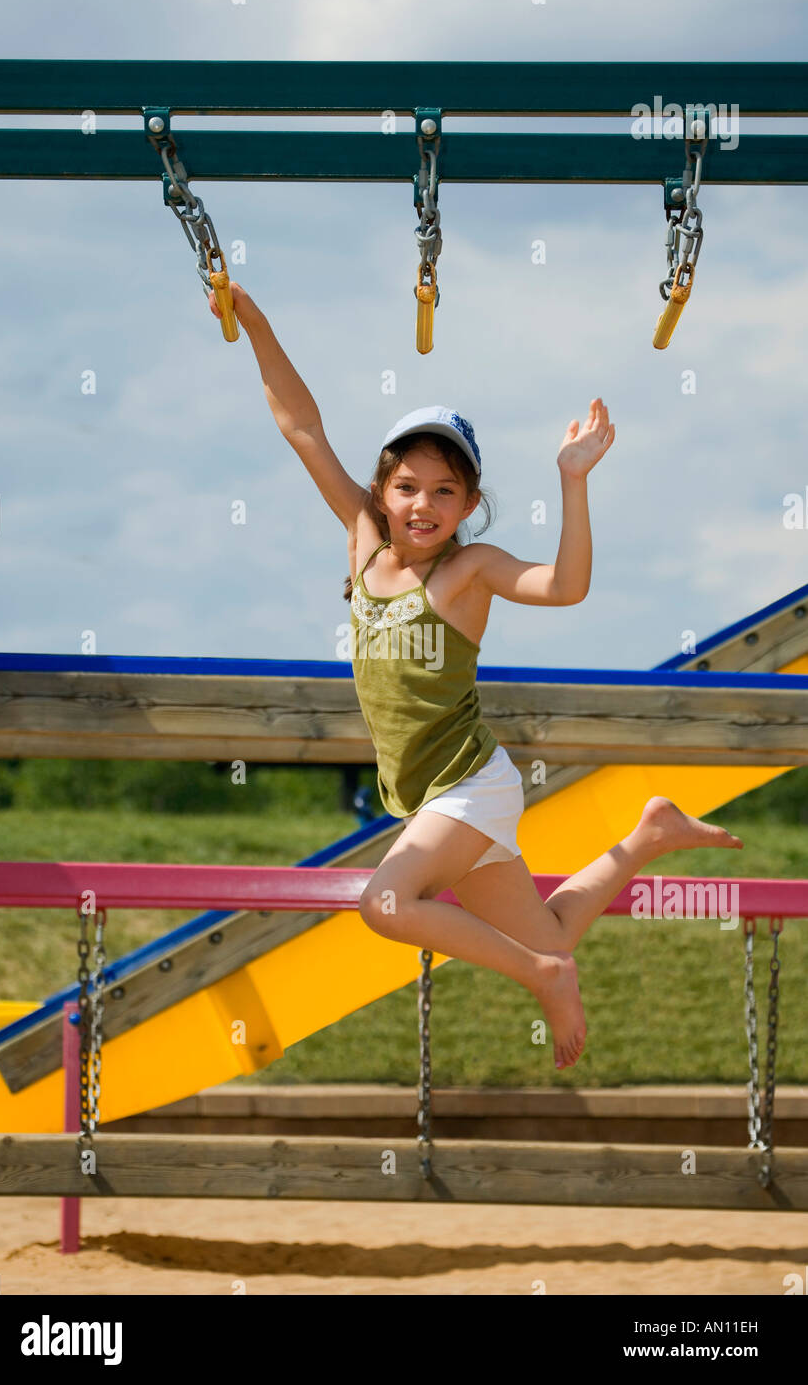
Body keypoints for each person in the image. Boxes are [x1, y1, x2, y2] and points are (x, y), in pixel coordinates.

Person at [211, 282, 743, 1071]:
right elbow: (301, 426)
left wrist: (573, 480)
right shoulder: (362, 542)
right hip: (436, 795)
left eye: (445, 492)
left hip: (468, 784)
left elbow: (566, 587)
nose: (422, 504)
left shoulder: (468, 572)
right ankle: (644, 836)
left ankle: (541, 974)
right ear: (383, 492)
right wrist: (254, 321)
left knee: (386, 904)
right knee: (555, 928)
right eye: (406, 487)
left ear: (467, 505)